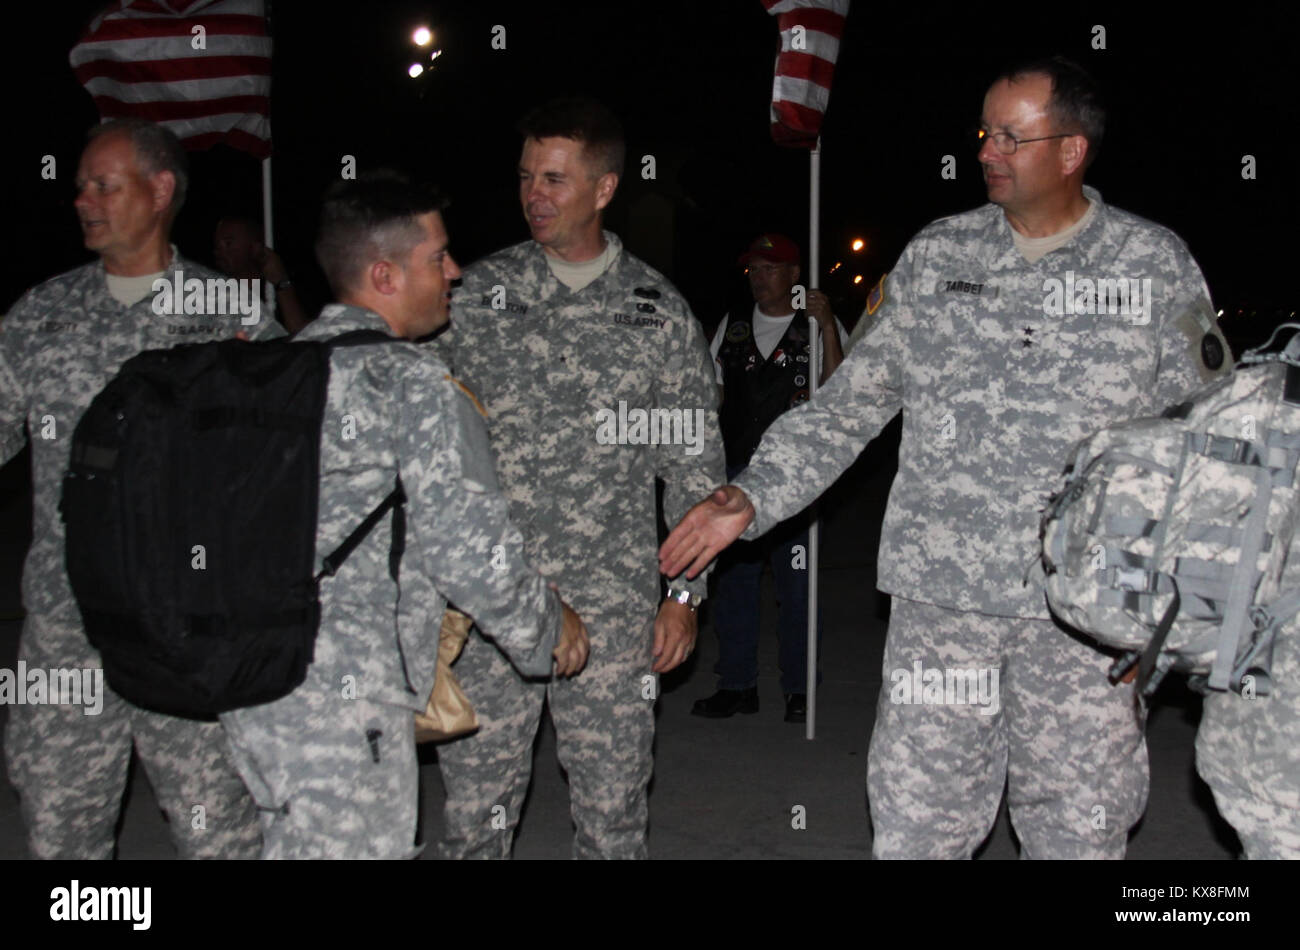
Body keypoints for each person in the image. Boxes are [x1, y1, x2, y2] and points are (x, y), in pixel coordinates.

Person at [660, 56, 1231, 859]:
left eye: (1010, 136)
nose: (986, 150)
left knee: (1080, 833)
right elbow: (849, 406)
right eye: (983, 132)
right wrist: (751, 495)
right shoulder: (938, 258)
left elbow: (1211, 447)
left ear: (1072, 151)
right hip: (942, 608)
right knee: (919, 831)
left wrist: (1178, 619)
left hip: (1085, 622)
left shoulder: (1151, 265)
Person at [217, 172, 590, 859]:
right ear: (384, 275)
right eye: (437, 257)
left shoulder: (275, 373)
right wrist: (550, 632)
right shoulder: (413, 386)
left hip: (253, 687)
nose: (454, 271)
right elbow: (474, 551)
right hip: (345, 707)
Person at [435, 96, 725, 859]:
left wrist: (685, 599)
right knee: (475, 816)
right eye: (528, 176)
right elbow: (423, 446)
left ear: (604, 188)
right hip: (492, 607)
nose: (536, 194)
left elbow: (694, 474)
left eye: (557, 179)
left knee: (613, 813)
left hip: (614, 615)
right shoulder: (472, 299)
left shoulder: (658, 313)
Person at [1, 119, 270, 859]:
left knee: (218, 830)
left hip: (189, 628)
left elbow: (279, 469)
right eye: (80, 184)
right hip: (66, 631)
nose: (83, 198)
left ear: (160, 192)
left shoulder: (234, 315)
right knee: (61, 830)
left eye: (102, 184)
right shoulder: (38, 317)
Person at [693, 233, 848, 723]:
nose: (759, 278)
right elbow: (712, 394)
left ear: (794, 274)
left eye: (770, 268)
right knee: (735, 583)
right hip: (737, 472)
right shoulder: (731, 326)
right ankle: (737, 684)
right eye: (753, 269)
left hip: (795, 476)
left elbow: (841, 396)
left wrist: (826, 329)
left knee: (797, 586)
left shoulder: (817, 323)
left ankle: (800, 689)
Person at [213, 215, 310, 333]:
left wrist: (282, 282)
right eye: (217, 245)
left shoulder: (279, 290)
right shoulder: (213, 292)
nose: (219, 251)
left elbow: (301, 336)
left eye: (228, 243)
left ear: (255, 247)